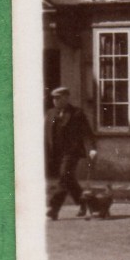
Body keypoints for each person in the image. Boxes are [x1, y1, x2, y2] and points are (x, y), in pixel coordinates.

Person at [45, 87, 96, 220]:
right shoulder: (50, 113)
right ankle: (84, 202)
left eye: (58, 98)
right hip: (56, 153)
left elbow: (86, 133)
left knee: (63, 177)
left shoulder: (77, 113)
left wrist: (91, 148)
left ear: (66, 98)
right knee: (69, 180)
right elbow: (46, 135)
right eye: (53, 98)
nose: (55, 101)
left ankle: (53, 209)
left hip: (71, 152)